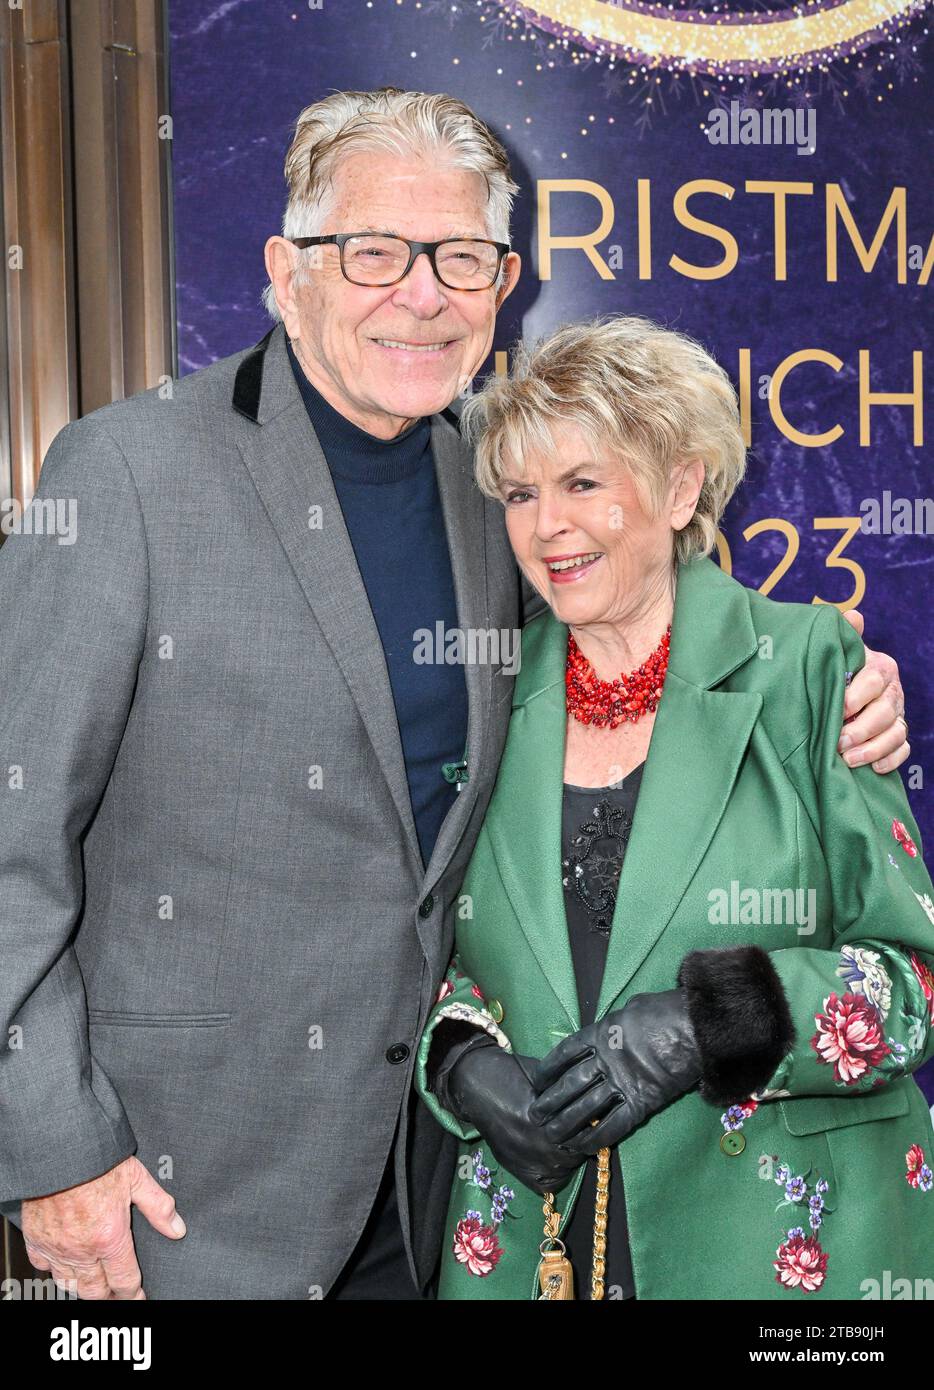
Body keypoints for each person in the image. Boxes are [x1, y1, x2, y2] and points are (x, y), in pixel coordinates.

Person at [0, 89, 908, 1301]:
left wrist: (836, 673)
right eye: (372, 251)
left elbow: (623, 679)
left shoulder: (491, 486)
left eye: (460, 257)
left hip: (442, 1196)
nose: (420, 293)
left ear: (503, 279)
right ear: (285, 269)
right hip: (180, 1194)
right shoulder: (126, 469)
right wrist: (55, 1152)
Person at [415, 315, 934, 1301]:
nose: (545, 527)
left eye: (582, 483)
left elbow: (912, 985)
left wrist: (708, 1022)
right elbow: (439, 958)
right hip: (535, 1250)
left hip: (775, 1257)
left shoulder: (810, 671)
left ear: (680, 487)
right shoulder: (484, 696)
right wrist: (462, 1069)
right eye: (521, 494)